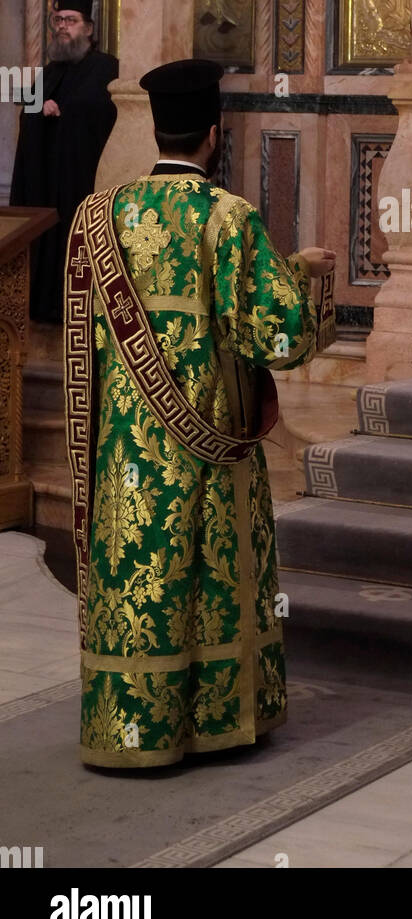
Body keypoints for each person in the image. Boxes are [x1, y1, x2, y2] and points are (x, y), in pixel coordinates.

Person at [64, 59, 335, 768]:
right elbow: (281, 339)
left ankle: (129, 730)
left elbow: (82, 344)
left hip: (123, 453)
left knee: (141, 581)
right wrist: (311, 277)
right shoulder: (228, 219)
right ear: (215, 135)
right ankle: (211, 723)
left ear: (157, 129)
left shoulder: (101, 216)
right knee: (204, 580)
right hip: (207, 449)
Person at [10, 0, 118, 323]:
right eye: (58, 20)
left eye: (70, 21)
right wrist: (39, 108)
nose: (62, 27)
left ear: (88, 28)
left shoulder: (106, 67)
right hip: (45, 180)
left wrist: (66, 112)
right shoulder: (51, 70)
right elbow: (27, 108)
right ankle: (42, 306)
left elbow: (106, 114)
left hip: (81, 181)